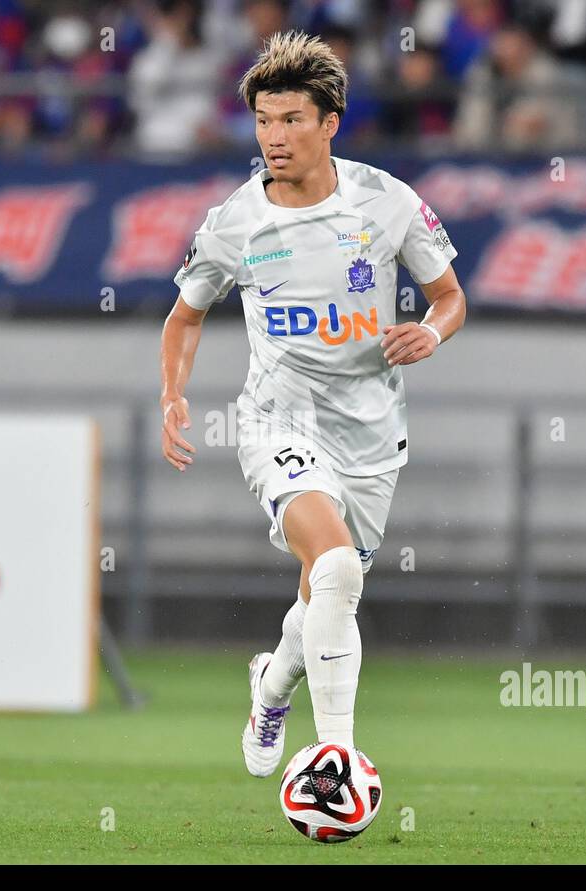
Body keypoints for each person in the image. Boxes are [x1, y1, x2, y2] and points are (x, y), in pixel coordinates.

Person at [159, 31, 466, 777]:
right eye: (265, 120)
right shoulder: (237, 219)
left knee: (327, 592)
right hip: (277, 421)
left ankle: (271, 685)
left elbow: (451, 298)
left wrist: (429, 332)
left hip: (371, 434)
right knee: (333, 563)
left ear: (330, 122)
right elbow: (185, 316)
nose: (275, 137)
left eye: (292, 119)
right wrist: (173, 396)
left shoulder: (386, 202)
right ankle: (337, 758)